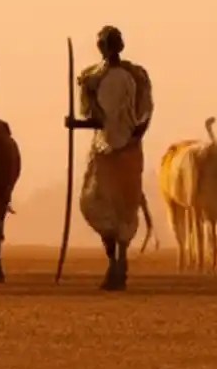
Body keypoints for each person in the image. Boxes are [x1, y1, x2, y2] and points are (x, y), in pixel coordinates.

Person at [65, 25, 153, 291]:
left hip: (117, 151)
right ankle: (115, 260)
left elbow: (139, 115)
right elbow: (110, 119)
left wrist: (75, 125)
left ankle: (118, 264)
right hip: (114, 150)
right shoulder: (92, 79)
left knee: (119, 207)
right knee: (101, 205)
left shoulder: (133, 77)